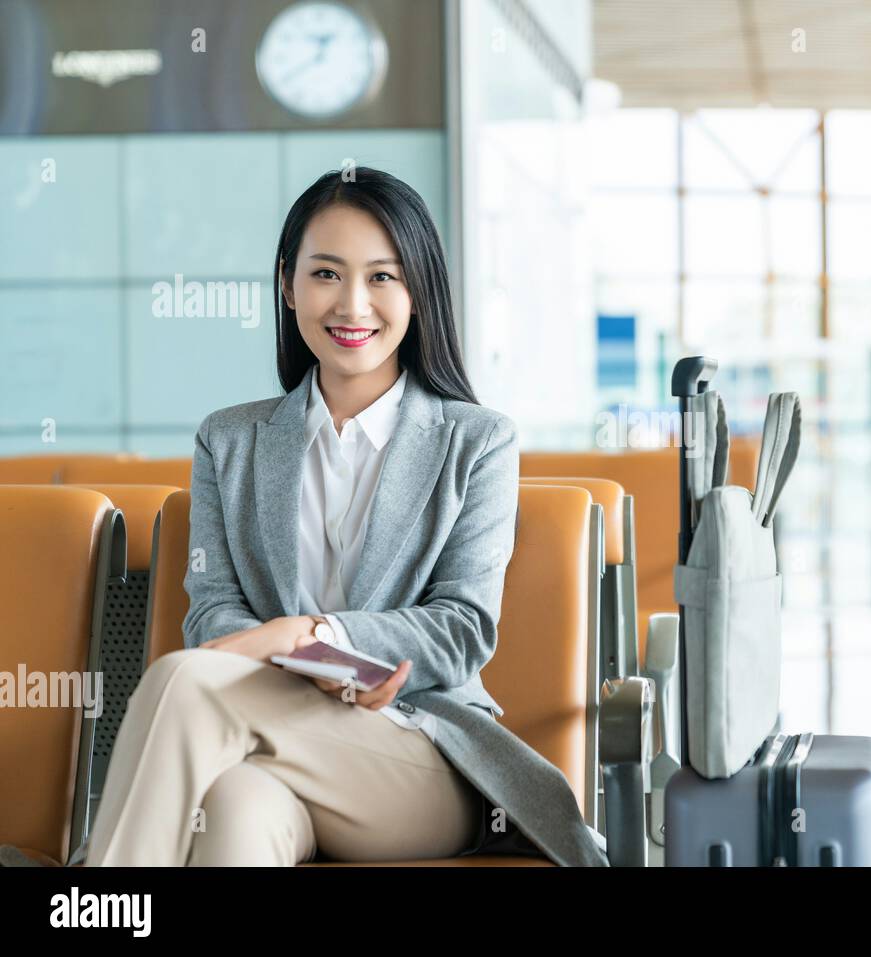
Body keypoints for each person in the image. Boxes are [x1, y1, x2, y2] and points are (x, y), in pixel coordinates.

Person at [78, 167, 606, 867]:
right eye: (326, 273)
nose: (353, 303)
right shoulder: (228, 441)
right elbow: (213, 616)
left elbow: (462, 627)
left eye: (383, 277)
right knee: (233, 810)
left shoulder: (477, 441)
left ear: (419, 292)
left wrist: (323, 636)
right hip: (268, 739)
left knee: (182, 680)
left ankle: (97, 906)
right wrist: (302, 659)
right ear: (287, 283)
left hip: (416, 755)